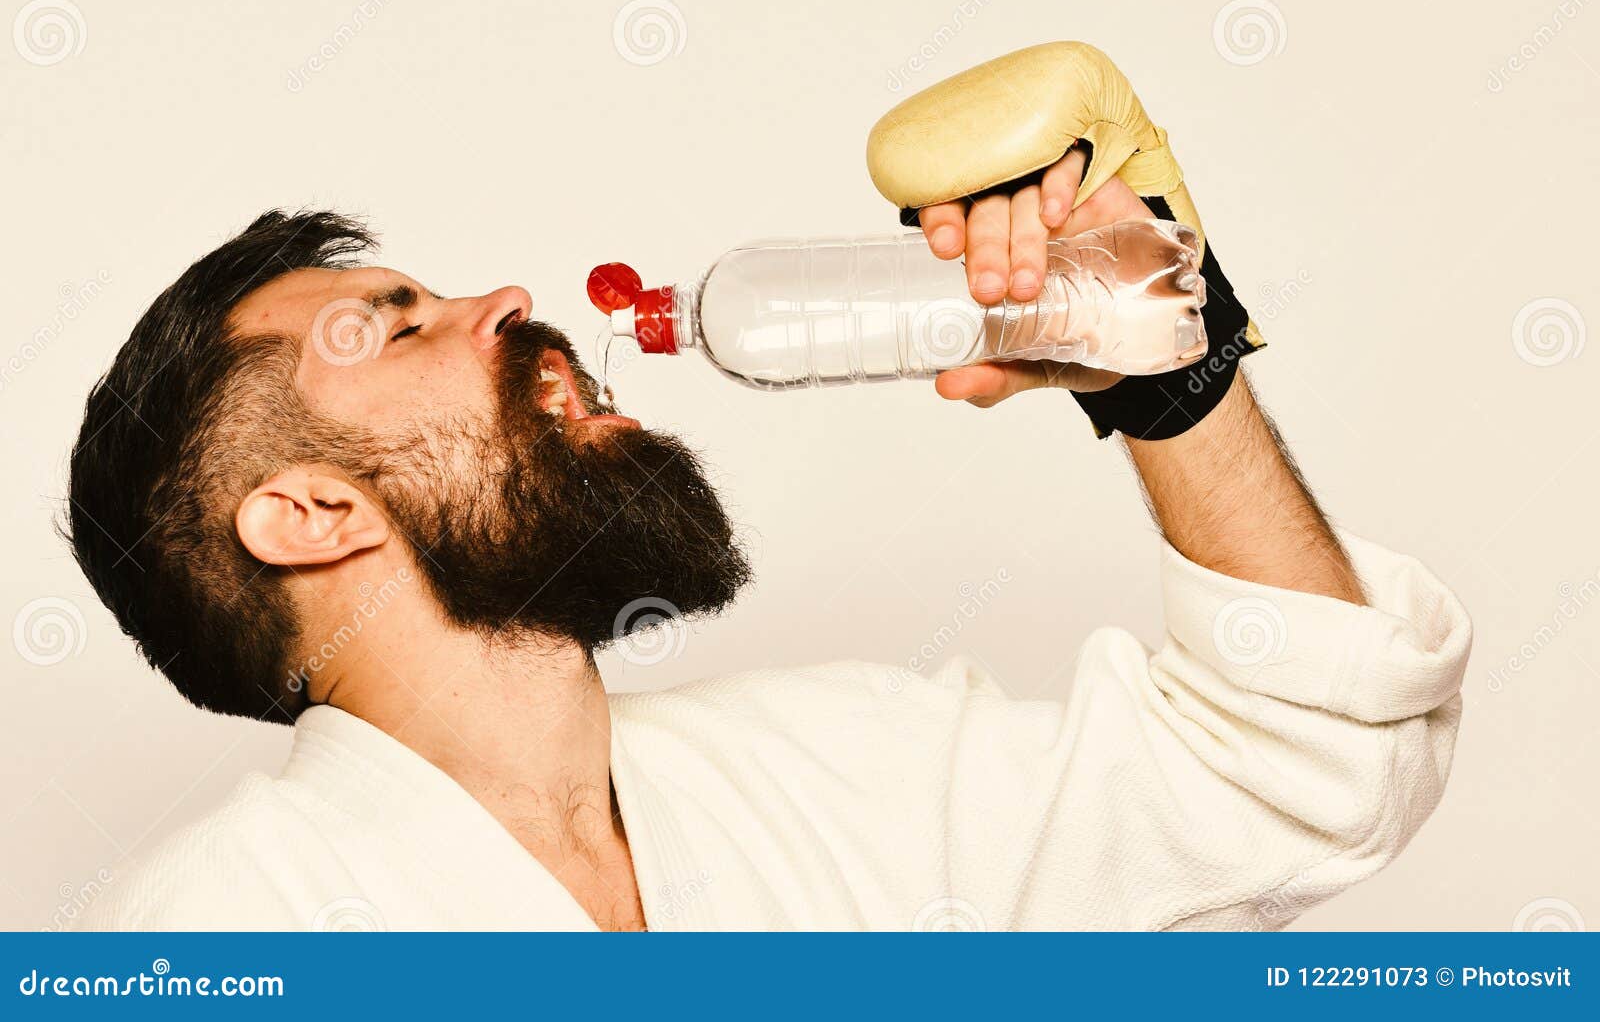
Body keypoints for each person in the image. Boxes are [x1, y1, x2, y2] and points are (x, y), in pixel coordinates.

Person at [65, 143, 1469, 931]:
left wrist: (1175, 383)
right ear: (308, 515)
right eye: (396, 326)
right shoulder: (228, 927)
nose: (502, 298)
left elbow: (1307, 775)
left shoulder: (843, 770)